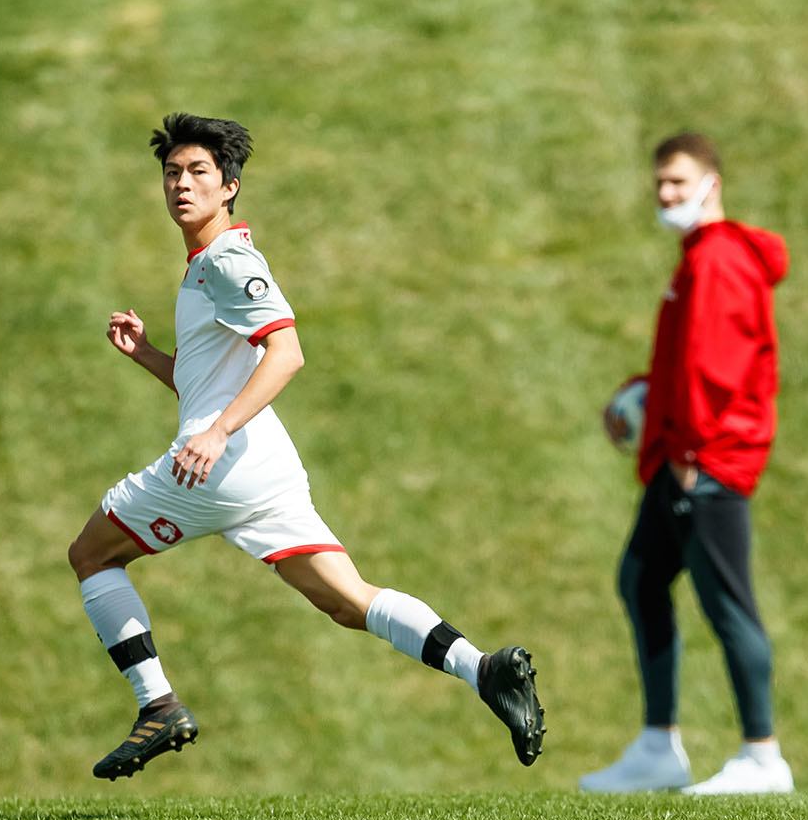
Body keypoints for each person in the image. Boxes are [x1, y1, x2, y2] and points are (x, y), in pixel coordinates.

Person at [66, 112, 546, 781]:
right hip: (263, 467)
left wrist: (217, 432)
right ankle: (483, 669)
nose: (182, 184)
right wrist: (148, 354)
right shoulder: (206, 264)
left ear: (230, 186)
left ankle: (158, 705)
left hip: (220, 466)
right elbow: (210, 384)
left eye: (199, 172)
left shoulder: (228, 260)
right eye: (172, 173)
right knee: (348, 601)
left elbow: (286, 353)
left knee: (91, 555)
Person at [580, 132, 793, 795]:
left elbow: (715, 369)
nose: (667, 194)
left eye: (677, 181)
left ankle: (763, 756)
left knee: (729, 605)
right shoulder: (700, 256)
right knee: (642, 578)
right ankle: (658, 747)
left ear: (711, 183)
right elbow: (685, 360)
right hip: (685, 456)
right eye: (660, 184)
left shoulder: (718, 260)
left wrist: (691, 454)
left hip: (706, 461)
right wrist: (642, 393)